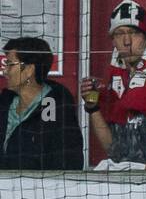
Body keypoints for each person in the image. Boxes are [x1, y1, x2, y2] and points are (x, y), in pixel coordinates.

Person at [79, 0, 146, 171]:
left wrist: (144, 189)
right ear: (113, 40)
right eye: (119, 34)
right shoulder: (117, 80)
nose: (126, 41)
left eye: (133, 33)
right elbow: (114, 150)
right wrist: (92, 107)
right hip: (123, 174)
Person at [0, 37, 83, 170]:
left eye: (10, 64)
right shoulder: (5, 102)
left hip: (40, 186)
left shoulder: (54, 105)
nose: (5, 72)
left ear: (29, 70)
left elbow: (67, 160)